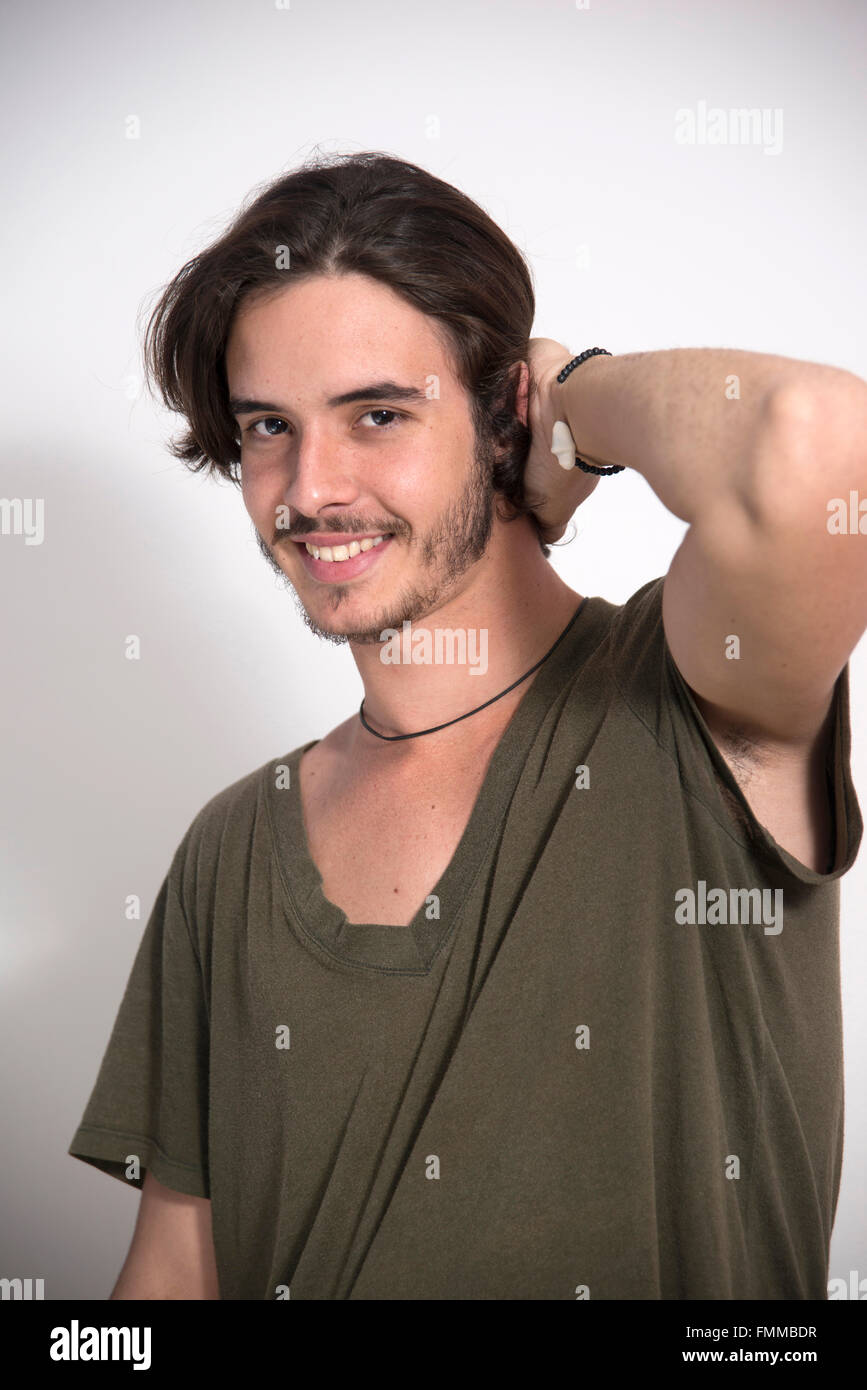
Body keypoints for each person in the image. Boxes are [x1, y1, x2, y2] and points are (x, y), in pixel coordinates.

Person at [68, 150, 866, 1300]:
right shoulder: (231, 848)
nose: (314, 487)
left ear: (501, 416)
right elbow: (171, 1277)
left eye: (377, 413)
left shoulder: (691, 700)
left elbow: (819, 445)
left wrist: (579, 401)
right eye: (267, 429)